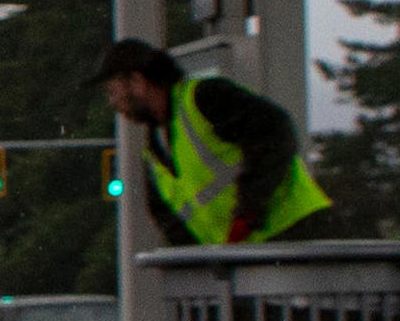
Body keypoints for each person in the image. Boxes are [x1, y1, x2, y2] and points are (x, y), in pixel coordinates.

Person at [98, 39, 331, 248]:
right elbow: (170, 221)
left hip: (295, 236)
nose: (112, 102)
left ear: (137, 81)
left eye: (112, 90)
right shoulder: (154, 152)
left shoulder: (205, 98)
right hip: (244, 261)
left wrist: (249, 211)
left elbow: (273, 132)